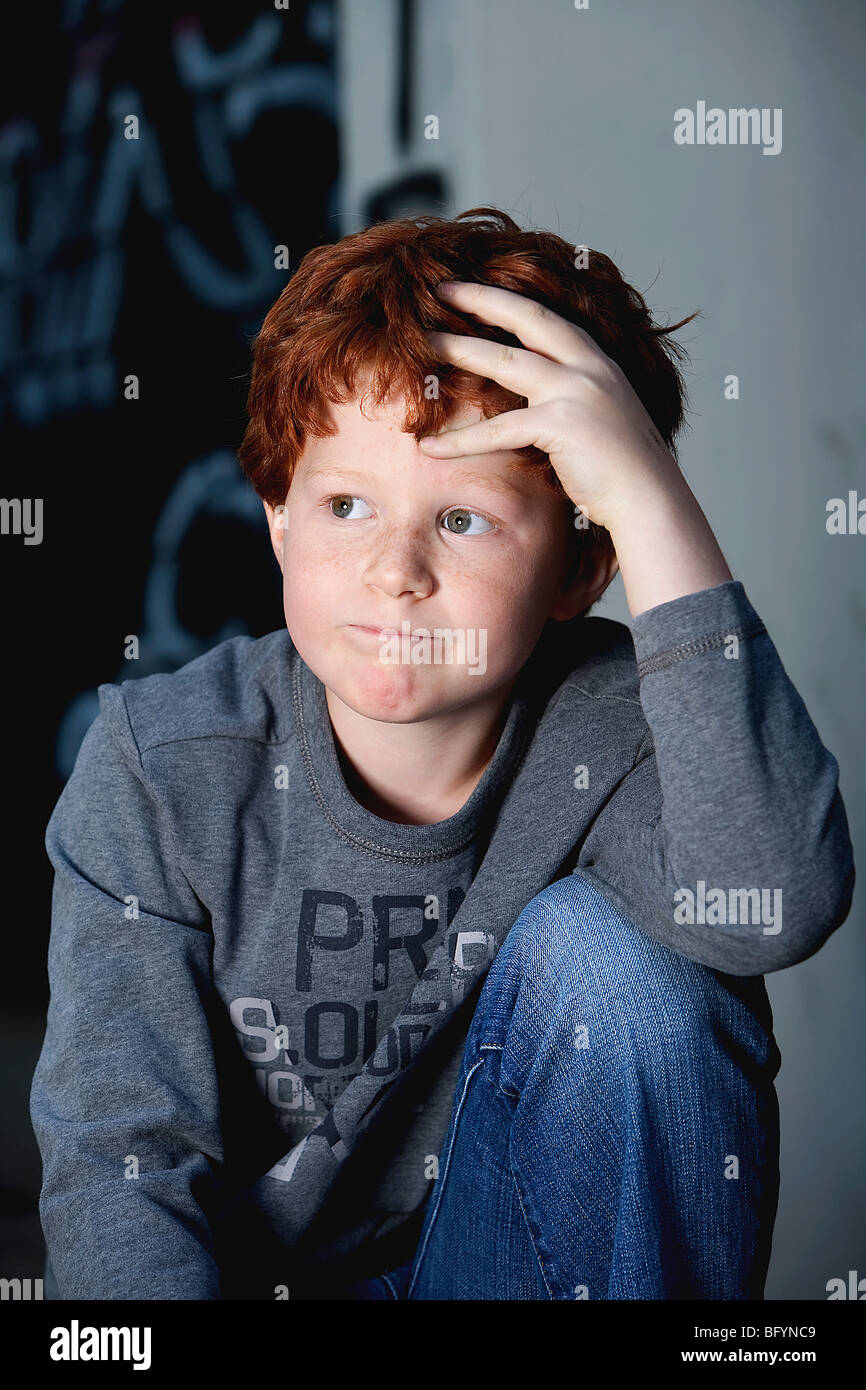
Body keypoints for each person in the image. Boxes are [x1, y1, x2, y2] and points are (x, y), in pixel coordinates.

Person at [30, 207, 855, 1300]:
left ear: (580, 565)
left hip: (504, 1271)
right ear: (277, 518)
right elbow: (119, 1169)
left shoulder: (621, 725)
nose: (394, 570)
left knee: (637, 970)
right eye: (345, 504)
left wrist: (652, 500)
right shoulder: (161, 765)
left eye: (463, 519)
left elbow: (770, 901)